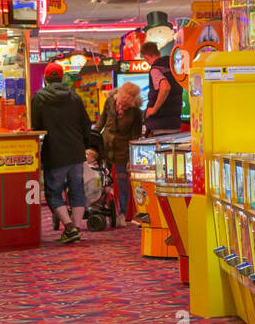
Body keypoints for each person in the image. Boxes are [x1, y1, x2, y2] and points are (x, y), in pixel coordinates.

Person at [31, 61, 91, 243]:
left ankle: (70, 227)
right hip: (76, 150)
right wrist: (85, 145)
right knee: (77, 190)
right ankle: (77, 227)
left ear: (46, 78)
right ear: (62, 77)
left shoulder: (40, 98)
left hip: (55, 151)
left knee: (53, 192)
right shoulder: (74, 97)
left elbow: (36, 126)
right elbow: (86, 124)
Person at [97, 80, 143, 226]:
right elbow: (101, 122)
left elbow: (135, 136)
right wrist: (91, 140)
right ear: (119, 95)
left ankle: (122, 215)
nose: (121, 107)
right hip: (106, 147)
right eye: (121, 103)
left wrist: (131, 158)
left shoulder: (136, 112)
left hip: (123, 151)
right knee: (101, 181)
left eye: (125, 105)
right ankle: (100, 210)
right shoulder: (110, 101)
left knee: (123, 184)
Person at [141, 42, 184, 135]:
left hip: (160, 126)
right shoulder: (173, 67)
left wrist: (153, 109)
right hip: (175, 124)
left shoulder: (156, 69)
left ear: (146, 57)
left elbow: (165, 87)